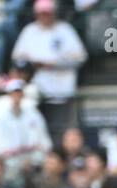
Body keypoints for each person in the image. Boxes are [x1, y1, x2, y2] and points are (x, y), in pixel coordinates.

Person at [10, 0, 87, 142]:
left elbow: (80, 57)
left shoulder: (65, 30)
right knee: (35, 133)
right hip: (34, 94)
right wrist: (33, 63)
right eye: (42, 14)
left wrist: (53, 63)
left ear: (53, 13)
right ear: (36, 14)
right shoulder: (30, 31)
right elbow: (17, 57)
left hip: (61, 91)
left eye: (47, 13)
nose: (45, 17)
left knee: (60, 134)